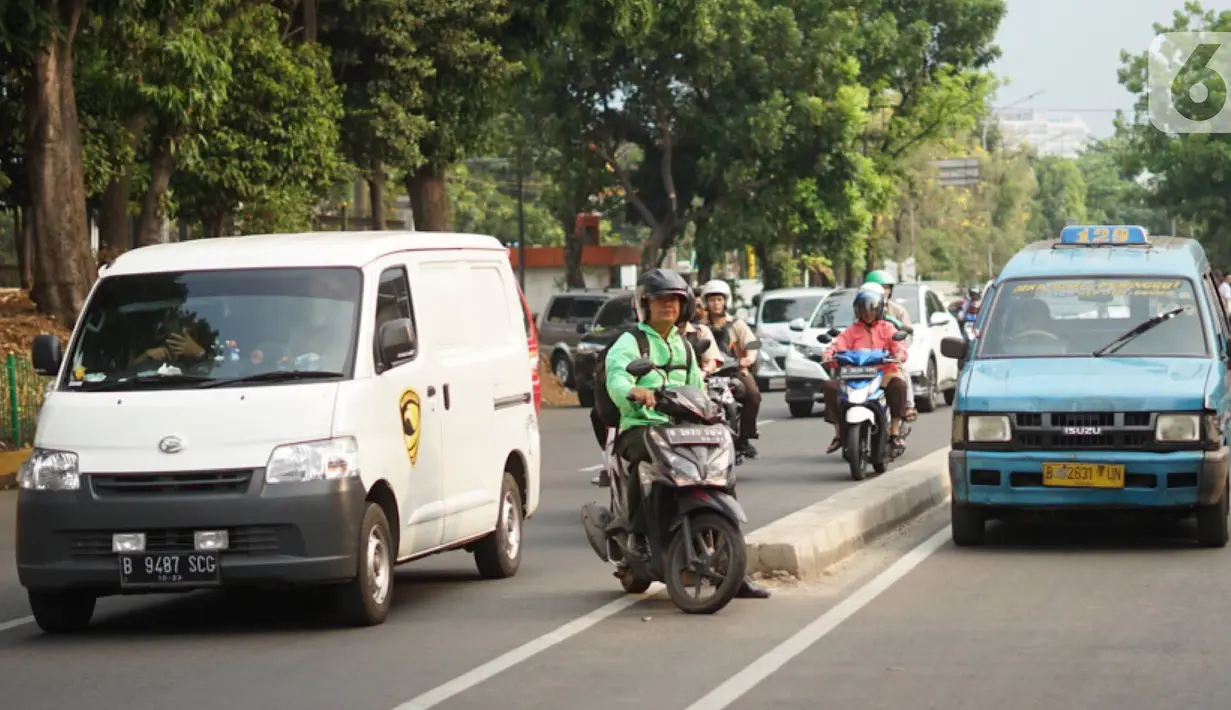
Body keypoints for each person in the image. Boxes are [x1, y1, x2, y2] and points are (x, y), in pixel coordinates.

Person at [606, 268, 769, 599]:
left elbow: (696, 385)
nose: (668, 306)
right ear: (645, 304)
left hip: (684, 424)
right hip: (642, 424)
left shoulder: (684, 344)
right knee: (645, 463)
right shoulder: (631, 342)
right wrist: (634, 391)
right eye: (661, 300)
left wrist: (713, 406)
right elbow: (616, 376)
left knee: (720, 473)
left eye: (675, 301)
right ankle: (636, 535)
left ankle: (731, 567)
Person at [821, 287, 910, 454]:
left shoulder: (887, 328)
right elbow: (836, 347)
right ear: (857, 310)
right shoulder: (850, 331)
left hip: (883, 373)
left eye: (871, 310)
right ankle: (839, 433)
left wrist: (898, 354)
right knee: (830, 386)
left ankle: (895, 430)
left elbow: (899, 346)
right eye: (863, 309)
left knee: (898, 385)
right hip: (854, 375)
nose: (867, 314)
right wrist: (828, 356)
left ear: (878, 310)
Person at [698, 279, 762, 458]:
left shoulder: (736, 324)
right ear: (706, 303)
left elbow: (751, 343)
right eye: (712, 300)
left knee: (753, 395)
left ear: (726, 301)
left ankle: (744, 437)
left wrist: (748, 358)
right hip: (708, 373)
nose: (716, 304)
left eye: (719, 299)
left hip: (734, 371)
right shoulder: (700, 327)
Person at [863, 271, 917, 422]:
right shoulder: (860, 312)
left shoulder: (898, 311)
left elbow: (906, 337)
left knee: (903, 374)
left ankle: (908, 406)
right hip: (866, 359)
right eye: (881, 288)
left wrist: (897, 352)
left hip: (888, 357)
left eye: (887, 288)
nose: (884, 291)